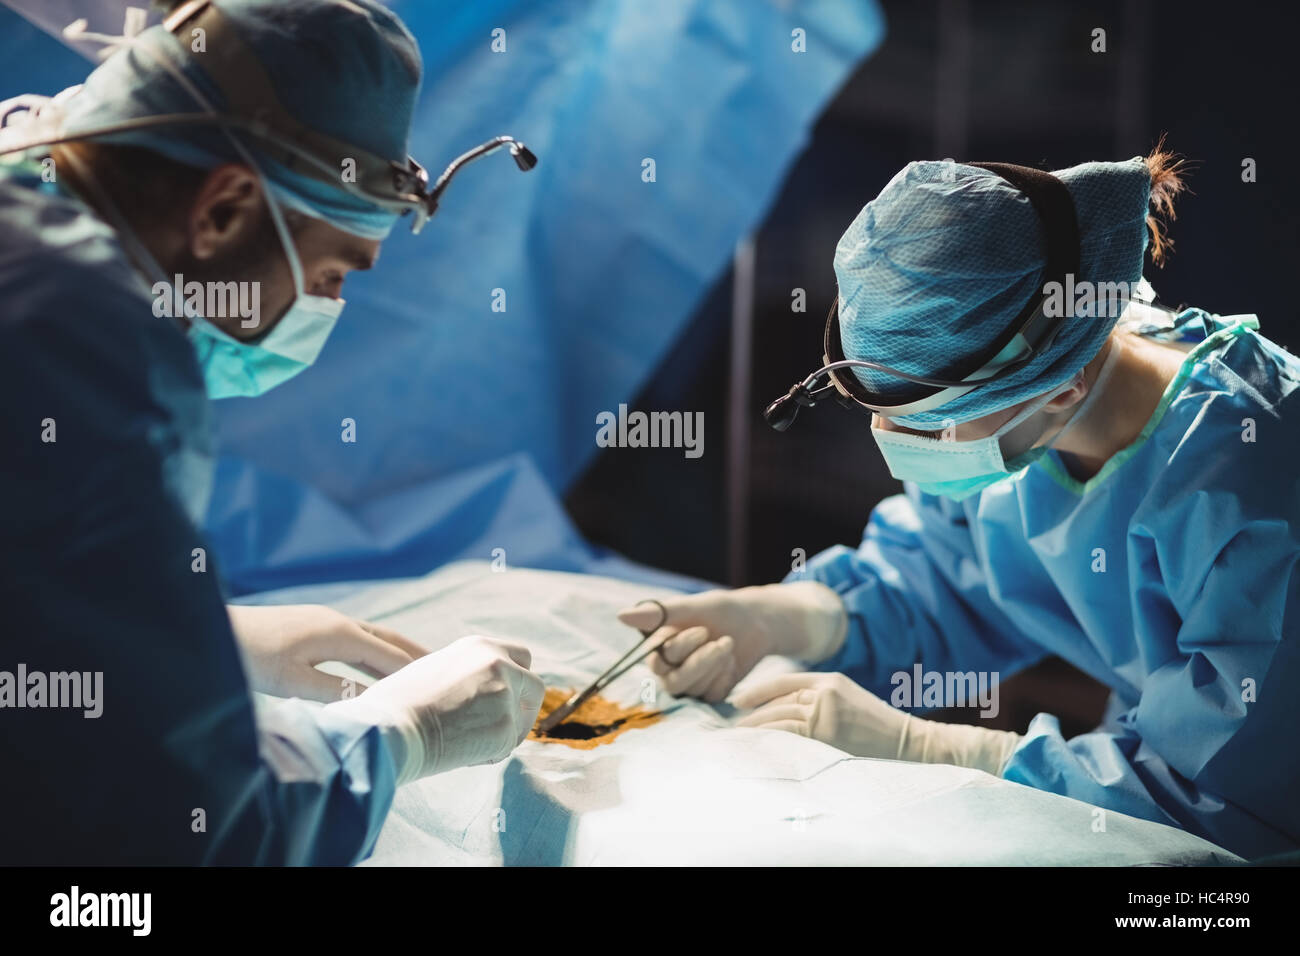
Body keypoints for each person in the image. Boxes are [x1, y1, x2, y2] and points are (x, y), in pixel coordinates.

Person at [617, 147, 1300, 860]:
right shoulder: (1025, 428)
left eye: (929, 426)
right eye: (884, 416)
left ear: (1060, 385)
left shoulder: (1255, 485)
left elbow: (1240, 796)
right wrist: (790, 617)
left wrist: (945, 751)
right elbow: (948, 576)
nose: (898, 446)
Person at [0, 0, 542, 864]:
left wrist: (197, 640)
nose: (329, 306)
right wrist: (397, 735)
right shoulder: (74, 338)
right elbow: (164, 832)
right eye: (331, 273)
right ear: (223, 211)